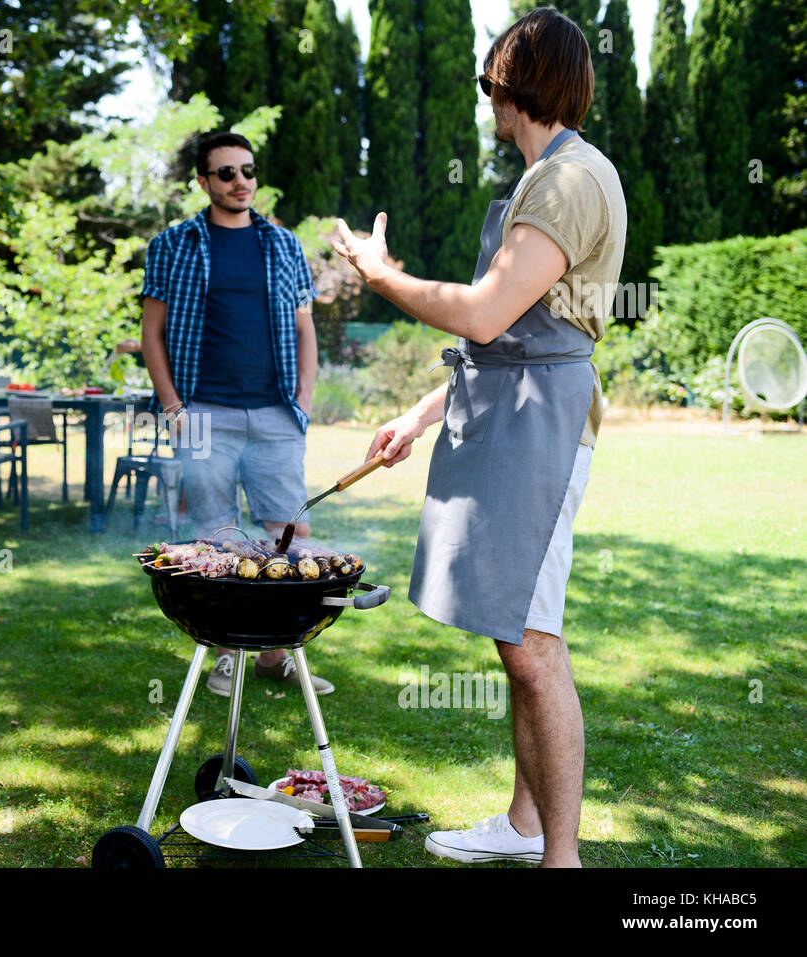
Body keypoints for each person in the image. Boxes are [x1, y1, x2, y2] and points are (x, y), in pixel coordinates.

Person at [331, 7, 625, 867]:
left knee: (532, 647)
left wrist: (382, 276)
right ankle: (525, 825)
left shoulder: (568, 181)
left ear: (520, 77)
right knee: (516, 631)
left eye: (489, 76)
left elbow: (490, 312)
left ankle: (559, 857)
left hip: (539, 422)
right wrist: (421, 417)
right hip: (511, 406)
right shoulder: (547, 176)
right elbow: (504, 338)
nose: (485, 94)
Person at [140, 131, 333, 697]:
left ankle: (279, 653)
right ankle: (227, 655)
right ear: (203, 182)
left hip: (275, 412)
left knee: (289, 534)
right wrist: (174, 408)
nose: (240, 181)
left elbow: (304, 329)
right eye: (226, 173)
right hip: (203, 413)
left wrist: (303, 401)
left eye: (247, 170)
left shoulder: (283, 243)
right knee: (215, 538)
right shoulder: (174, 243)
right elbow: (151, 333)